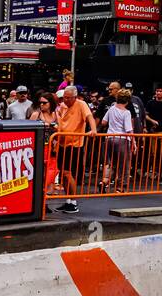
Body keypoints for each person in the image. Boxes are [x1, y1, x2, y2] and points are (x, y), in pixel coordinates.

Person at [52, 85, 96, 213]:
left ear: (75, 97)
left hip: (75, 144)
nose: (65, 100)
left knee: (67, 173)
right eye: (64, 97)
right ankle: (68, 201)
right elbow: (60, 122)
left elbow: (90, 117)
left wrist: (93, 129)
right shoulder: (62, 106)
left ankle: (73, 202)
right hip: (62, 143)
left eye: (68, 98)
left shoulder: (81, 104)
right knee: (63, 174)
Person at [100, 90, 135, 192]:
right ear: (128, 100)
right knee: (123, 164)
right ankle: (120, 187)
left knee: (109, 162)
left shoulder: (111, 109)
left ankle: (104, 181)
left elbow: (103, 122)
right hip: (122, 139)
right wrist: (134, 142)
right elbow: (129, 129)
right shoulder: (126, 112)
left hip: (109, 137)